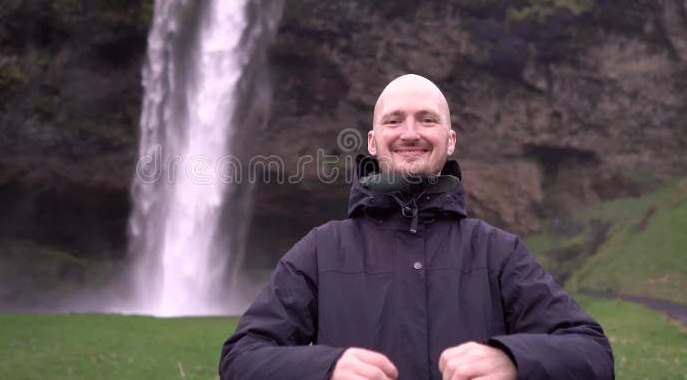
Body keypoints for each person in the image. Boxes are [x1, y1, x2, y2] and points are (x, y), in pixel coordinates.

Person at [219, 74, 614, 380]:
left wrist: (513, 359)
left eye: (427, 120)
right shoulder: (320, 250)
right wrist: (325, 368)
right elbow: (240, 358)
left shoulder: (498, 252)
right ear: (372, 142)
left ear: (450, 140)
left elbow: (593, 352)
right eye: (394, 121)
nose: (410, 133)